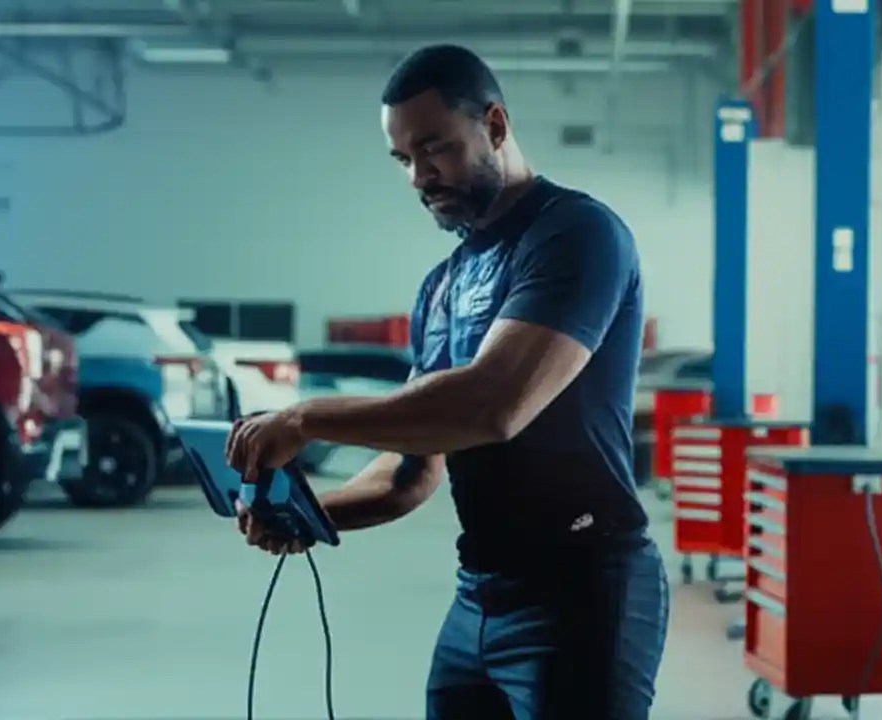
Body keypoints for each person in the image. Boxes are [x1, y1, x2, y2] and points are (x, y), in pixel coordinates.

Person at [224, 44, 668, 720]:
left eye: (435, 148)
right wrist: (311, 517)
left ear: (494, 125)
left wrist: (305, 419)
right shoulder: (443, 287)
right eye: (404, 159)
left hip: (585, 590)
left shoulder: (575, 234)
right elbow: (414, 471)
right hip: (478, 600)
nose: (418, 177)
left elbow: (495, 405)